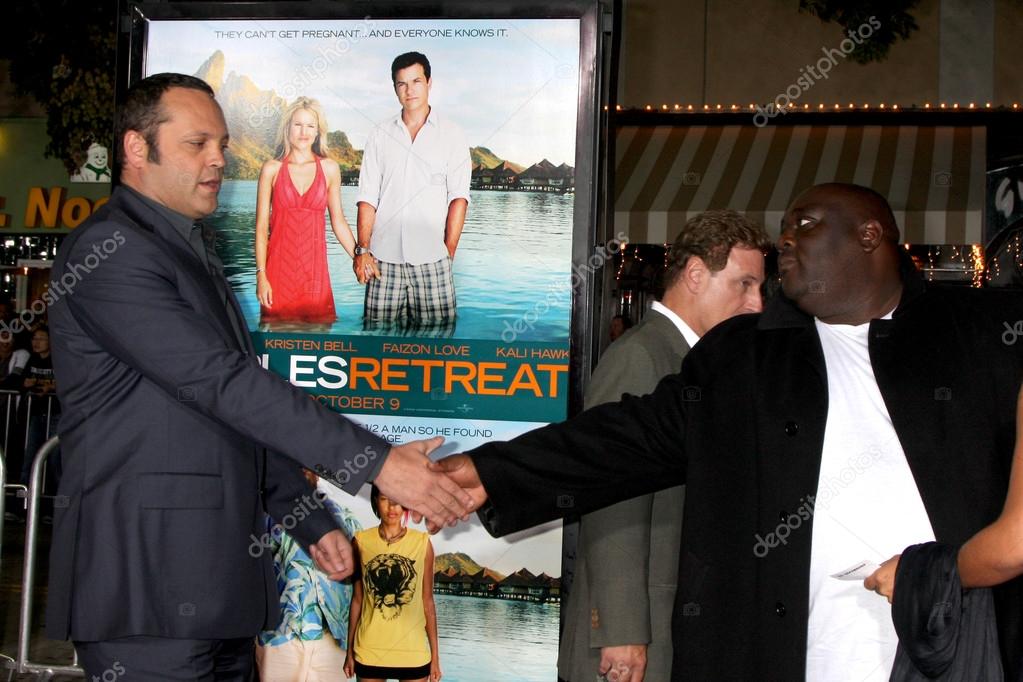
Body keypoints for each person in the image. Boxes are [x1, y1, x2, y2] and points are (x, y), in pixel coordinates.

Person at [435, 183, 1023, 680]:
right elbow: (625, 437)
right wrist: (491, 470)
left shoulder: (981, 337)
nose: (785, 239)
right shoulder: (749, 357)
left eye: (806, 224)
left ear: (870, 236)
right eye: (784, 228)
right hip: (789, 652)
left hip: (955, 645)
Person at [46, 72, 473, 680]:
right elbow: (222, 383)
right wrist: (377, 463)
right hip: (144, 593)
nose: (219, 159)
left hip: (220, 594)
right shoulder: (111, 250)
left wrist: (304, 514)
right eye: (198, 144)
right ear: (137, 149)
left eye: (221, 143)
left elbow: (229, 405)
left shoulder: (188, 250)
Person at [560, 210, 767, 682]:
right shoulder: (642, 356)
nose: (757, 303)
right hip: (637, 638)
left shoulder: (690, 360)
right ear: (696, 275)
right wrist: (623, 630)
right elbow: (611, 499)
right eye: (745, 284)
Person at [355, 52, 471, 335]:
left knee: (438, 348)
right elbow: (367, 197)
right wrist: (362, 250)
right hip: (382, 262)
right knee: (375, 346)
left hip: (434, 261)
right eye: (401, 84)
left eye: (416, 81)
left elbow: (458, 197)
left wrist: (447, 252)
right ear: (395, 89)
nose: (409, 90)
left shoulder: (452, 134)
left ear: (429, 82)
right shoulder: (380, 134)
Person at [256, 97, 373, 323]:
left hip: (315, 276)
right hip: (277, 275)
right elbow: (261, 228)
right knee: (279, 346)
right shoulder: (271, 169)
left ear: (318, 131)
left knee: (319, 341)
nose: (304, 131)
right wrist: (261, 276)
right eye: (298, 124)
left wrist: (359, 255)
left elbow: (338, 221)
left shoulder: (329, 168)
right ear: (287, 128)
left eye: (310, 126)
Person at [256, 472, 361, 682]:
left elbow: (360, 587)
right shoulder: (266, 518)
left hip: (332, 640)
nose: (303, 472)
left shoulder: (346, 519)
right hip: (279, 637)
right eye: (295, 466)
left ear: (318, 472)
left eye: (308, 466)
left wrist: (353, 644)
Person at [344, 485, 441, 682]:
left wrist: (435, 658)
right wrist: (349, 652)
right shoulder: (361, 542)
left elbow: (428, 602)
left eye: (398, 500)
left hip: (413, 653)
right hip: (369, 650)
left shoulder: (422, 543)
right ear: (375, 502)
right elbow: (357, 600)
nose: (392, 507)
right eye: (384, 499)